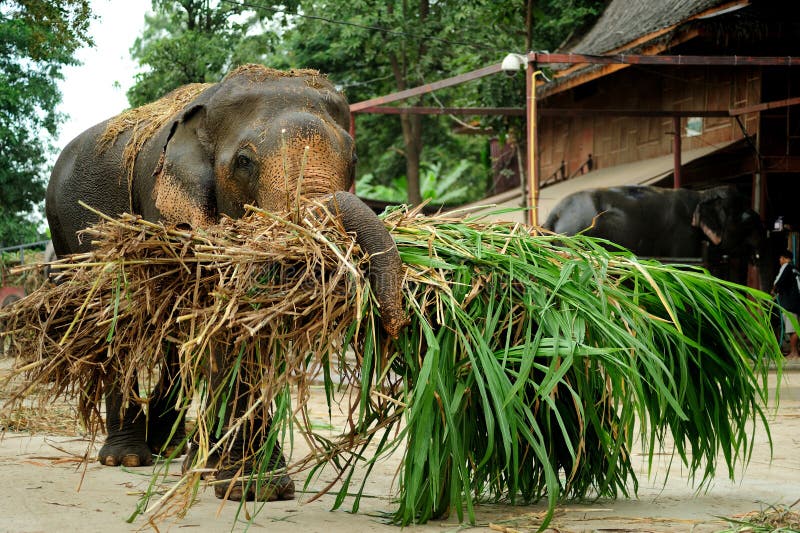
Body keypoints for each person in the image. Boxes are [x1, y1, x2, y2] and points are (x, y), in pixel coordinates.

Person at [772, 249, 800, 360]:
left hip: (789, 303)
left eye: (780, 258)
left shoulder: (786, 267)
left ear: (784, 258)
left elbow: (778, 282)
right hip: (797, 303)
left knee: (792, 329)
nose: (779, 260)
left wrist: (773, 291)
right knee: (795, 327)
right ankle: (795, 352)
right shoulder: (796, 269)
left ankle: (794, 353)